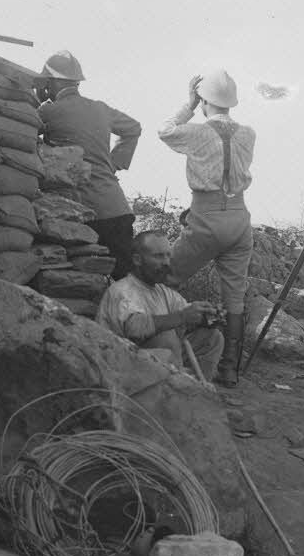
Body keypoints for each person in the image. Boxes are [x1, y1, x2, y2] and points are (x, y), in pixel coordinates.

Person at [156, 70, 257, 386]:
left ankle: (159, 345)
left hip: (206, 218)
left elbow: (164, 131)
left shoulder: (197, 132)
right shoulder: (248, 133)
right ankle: (229, 369)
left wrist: (188, 105)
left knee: (163, 276)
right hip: (239, 218)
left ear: (205, 100)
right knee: (235, 300)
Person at [35, 51, 142, 279]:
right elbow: (134, 128)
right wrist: (114, 162)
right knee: (127, 280)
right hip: (115, 208)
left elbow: (24, 131)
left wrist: (34, 99)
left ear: (50, 83)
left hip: (79, 212)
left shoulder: (47, 111)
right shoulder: (100, 108)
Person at [96, 231, 225, 381]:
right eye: (158, 256)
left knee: (213, 338)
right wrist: (183, 316)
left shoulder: (162, 291)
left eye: (168, 255)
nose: (166, 262)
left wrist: (210, 315)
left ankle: (196, 392)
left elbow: (186, 312)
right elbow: (135, 329)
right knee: (165, 338)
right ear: (138, 260)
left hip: (154, 359)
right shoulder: (122, 291)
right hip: (122, 364)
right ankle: (172, 392)